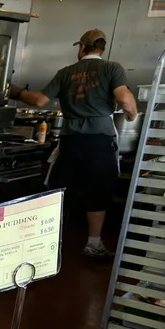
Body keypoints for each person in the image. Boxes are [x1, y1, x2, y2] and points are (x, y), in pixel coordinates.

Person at [11, 29, 138, 258]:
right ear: (101, 48)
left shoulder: (66, 72)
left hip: (70, 139)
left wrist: (16, 91)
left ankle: (42, 242)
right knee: (99, 190)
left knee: (58, 190)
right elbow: (124, 99)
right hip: (100, 140)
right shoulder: (112, 68)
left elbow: (39, 100)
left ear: (82, 47)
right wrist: (131, 115)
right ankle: (93, 243)